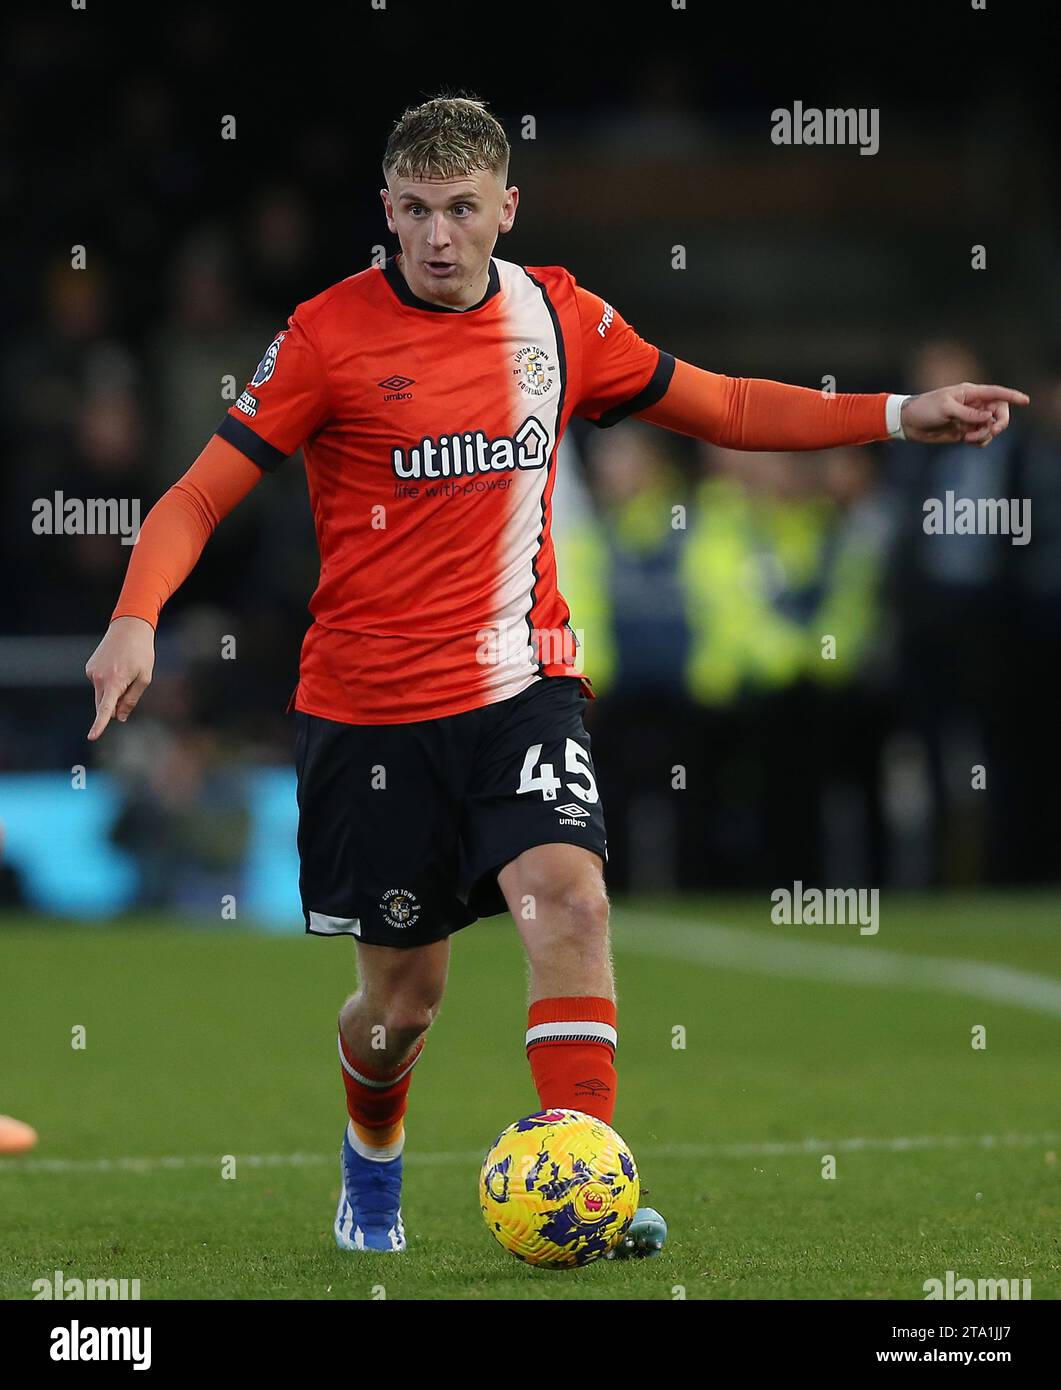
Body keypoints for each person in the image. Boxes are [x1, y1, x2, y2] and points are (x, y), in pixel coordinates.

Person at [84, 94, 1028, 1257]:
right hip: (371, 716)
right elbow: (195, 493)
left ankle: (584, 1183)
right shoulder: (326, 336)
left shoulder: (558, 315)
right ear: (386, 209)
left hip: (519, 684)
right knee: (398, 1007)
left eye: (463, 210)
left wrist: (894, 413)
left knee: (571, 904)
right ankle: (370, 1169)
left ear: (506, 209)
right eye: (416, 211)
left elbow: (721, 402)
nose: (437, 236)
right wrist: (135, 619)